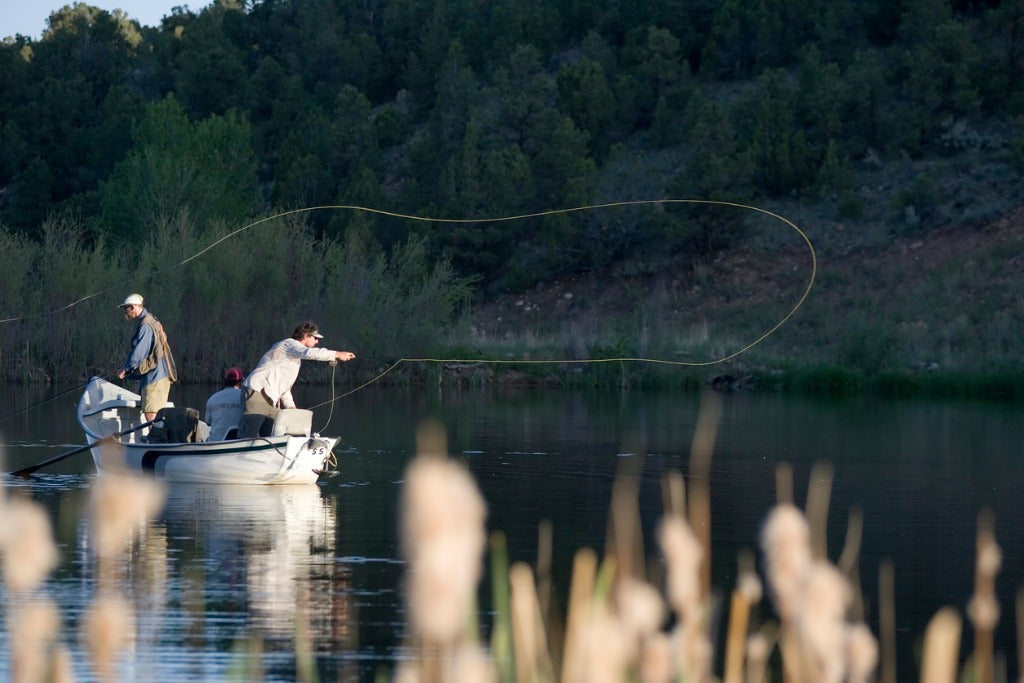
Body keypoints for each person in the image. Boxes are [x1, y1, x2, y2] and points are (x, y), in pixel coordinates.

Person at [242, 321, 355, 420]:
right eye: (315, 338)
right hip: (257, 391)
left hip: (269, 399)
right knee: (250, 433)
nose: (317, 342)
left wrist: (292, 408)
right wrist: (337, 354)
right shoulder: (289, 344)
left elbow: (284, 388)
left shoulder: (293, 357)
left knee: (272, 433)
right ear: (306, 336)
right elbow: (309, 353)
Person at [116, 293, 177, 422]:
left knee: (151, 413)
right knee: (152, 413)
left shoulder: (145, 325)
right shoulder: (151, 320)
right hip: (157, 375)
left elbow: (139, 353)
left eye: (126, 308)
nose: (125, 311)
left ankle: (154, 435)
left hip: (155, 376)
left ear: (133, 307)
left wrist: (125, 369)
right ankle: (153, 434)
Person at [205, 367, 245, 441]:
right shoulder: (245, 397)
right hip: (240, 442)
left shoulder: (212, 398)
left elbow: (208, 422)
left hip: (215, 443)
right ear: (241, 381)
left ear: (225, 381)